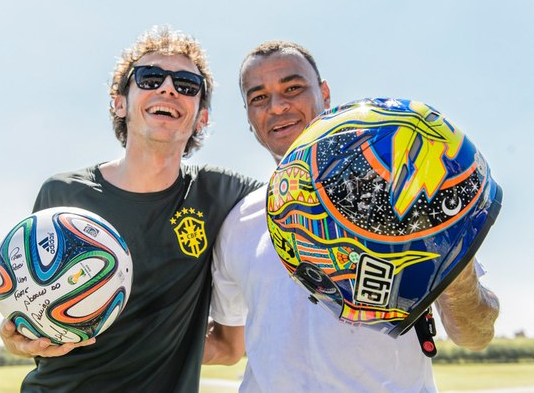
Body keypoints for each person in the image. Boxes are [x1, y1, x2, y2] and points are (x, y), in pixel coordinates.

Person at [202, 41, 500, 392]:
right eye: (259, 97)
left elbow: (475, 335)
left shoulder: (392, 190)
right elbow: (227, 346)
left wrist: (455, 266)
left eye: (292, 88)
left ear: (324, 94)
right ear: (249, 118)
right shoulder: (238, 222)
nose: (277, 106)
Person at [0, 26, 261, 393]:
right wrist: (18, 340)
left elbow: (299, 192)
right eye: (150, 78)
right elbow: (30, 319)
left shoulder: (220, 194)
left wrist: (170, 349)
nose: (168, 89)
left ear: (202, 117)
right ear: (119, 103)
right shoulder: (62, 196)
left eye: (187, 85)